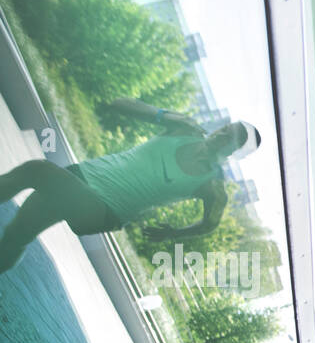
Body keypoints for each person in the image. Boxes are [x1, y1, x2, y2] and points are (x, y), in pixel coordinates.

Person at [0, 97, 260, 274]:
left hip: (105, 210)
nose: (223, 133)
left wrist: (173, 233)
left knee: (37, 171)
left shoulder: (213, 186)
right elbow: (130, 106)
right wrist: (131, 108)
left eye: (232, 138)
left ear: (234, 151)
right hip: (82, 175)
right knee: (18, 233)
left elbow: (209, 224)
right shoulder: (184, 128)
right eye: (227, 128)